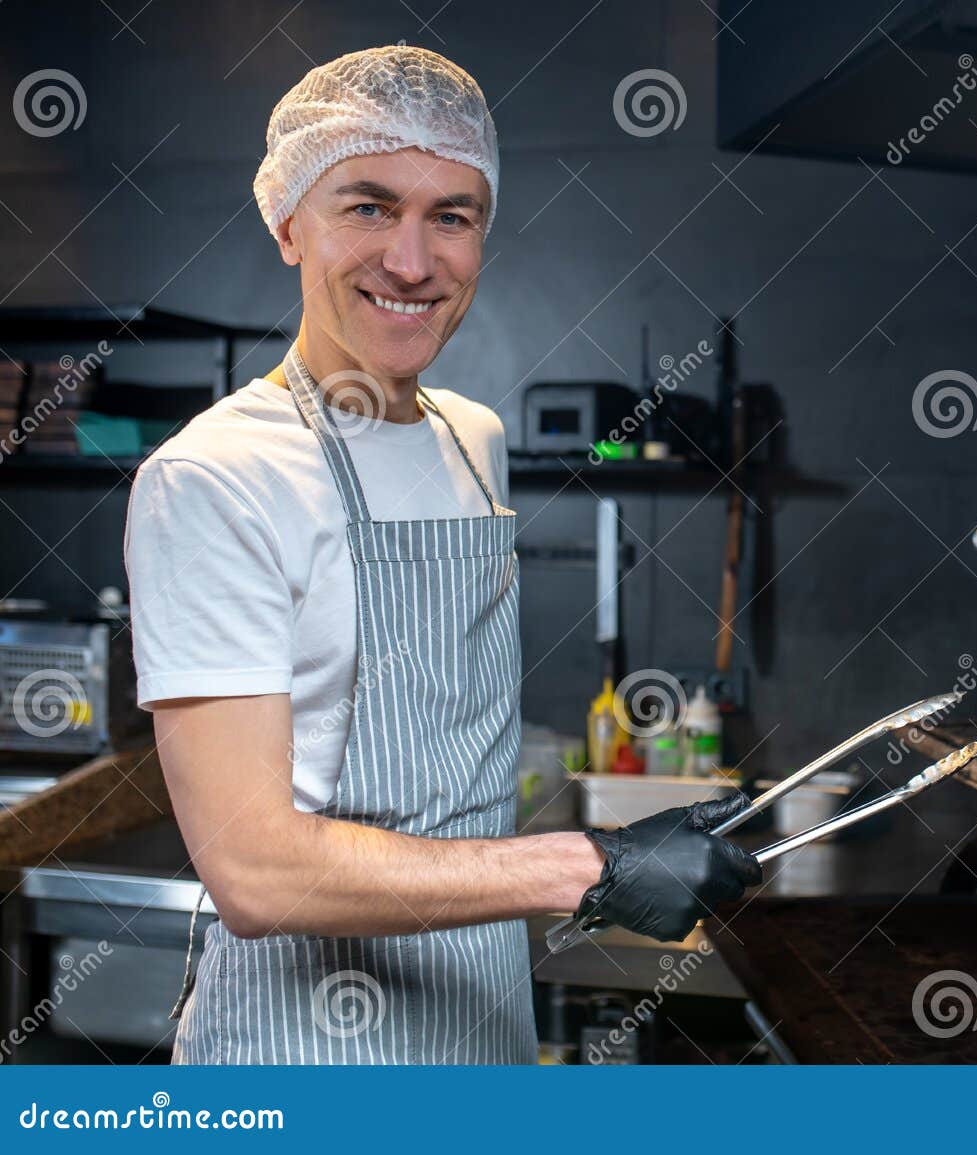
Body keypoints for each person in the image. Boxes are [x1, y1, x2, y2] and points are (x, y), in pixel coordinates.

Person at [124, 44, 760, 1065]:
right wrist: (586, 867)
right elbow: (255, 873)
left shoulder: (472, 439)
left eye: (451, 216)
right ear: (288, 221)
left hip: (479, 1028)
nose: (413, 263)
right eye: (368, 207)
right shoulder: (215, 478)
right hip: (304, 1058)